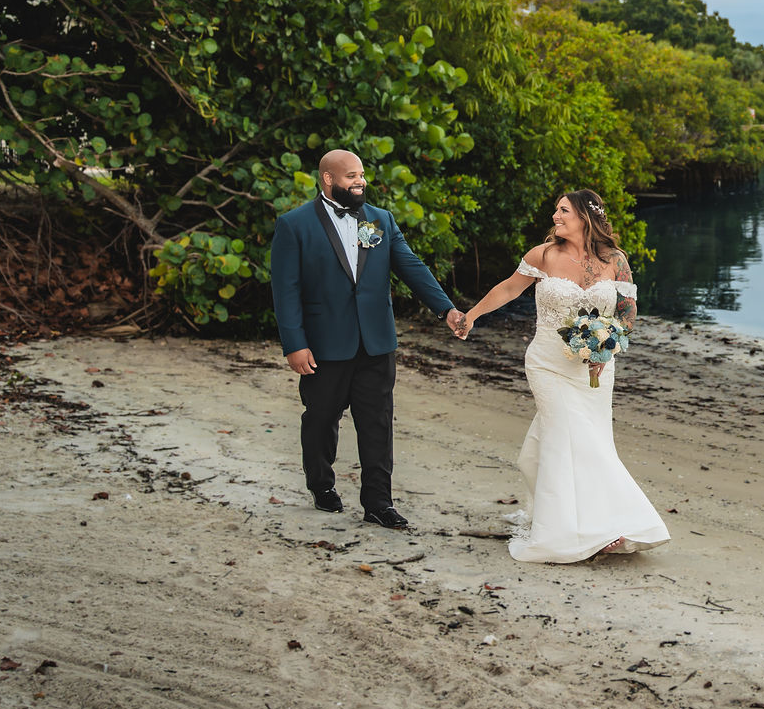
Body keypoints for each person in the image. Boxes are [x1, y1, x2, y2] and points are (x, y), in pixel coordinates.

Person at [455, 189, 669, 563]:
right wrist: (471, 315)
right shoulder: (543, 254)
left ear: (586, 217)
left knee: (593, 440)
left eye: (564, 210)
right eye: (556, 209)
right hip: (547, 363)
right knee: (565, 435)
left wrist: (610, 347)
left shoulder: (615, 260)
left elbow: (627, 310)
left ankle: (605, 521)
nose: (556, 215)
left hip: (596, 368)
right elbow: (509, 288)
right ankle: (563, 530)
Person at [270, 149, 464, 529]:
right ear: (328, 179)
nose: (360, 182)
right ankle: (321, 484)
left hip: (376, 342)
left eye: (362, 175)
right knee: (321, 419)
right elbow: (285, 290)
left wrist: (446, 310)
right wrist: (294, 344)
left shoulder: (380, 219)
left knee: (377, 422)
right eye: (351, 176)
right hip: (324, 345)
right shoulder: (294, 225)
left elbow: (412, 267)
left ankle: (378, 502)